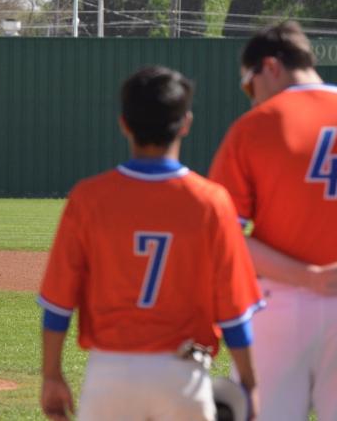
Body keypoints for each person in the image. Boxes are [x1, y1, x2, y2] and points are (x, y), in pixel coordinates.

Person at [38, 66, 262, 420]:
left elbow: (58, 304)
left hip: (109, 375)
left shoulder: (89, 198)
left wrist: (51, 374)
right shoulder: (211, 202)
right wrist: (249, 383)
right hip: (182, 376)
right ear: (185, 123)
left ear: (124, 123)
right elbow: (233, 310)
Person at [208, 21, 337, 420]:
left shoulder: (256, 126)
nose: (251, 97)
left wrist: (308, 276)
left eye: (249, 84)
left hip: (280, 303)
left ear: (271, 66)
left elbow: (223, 235)